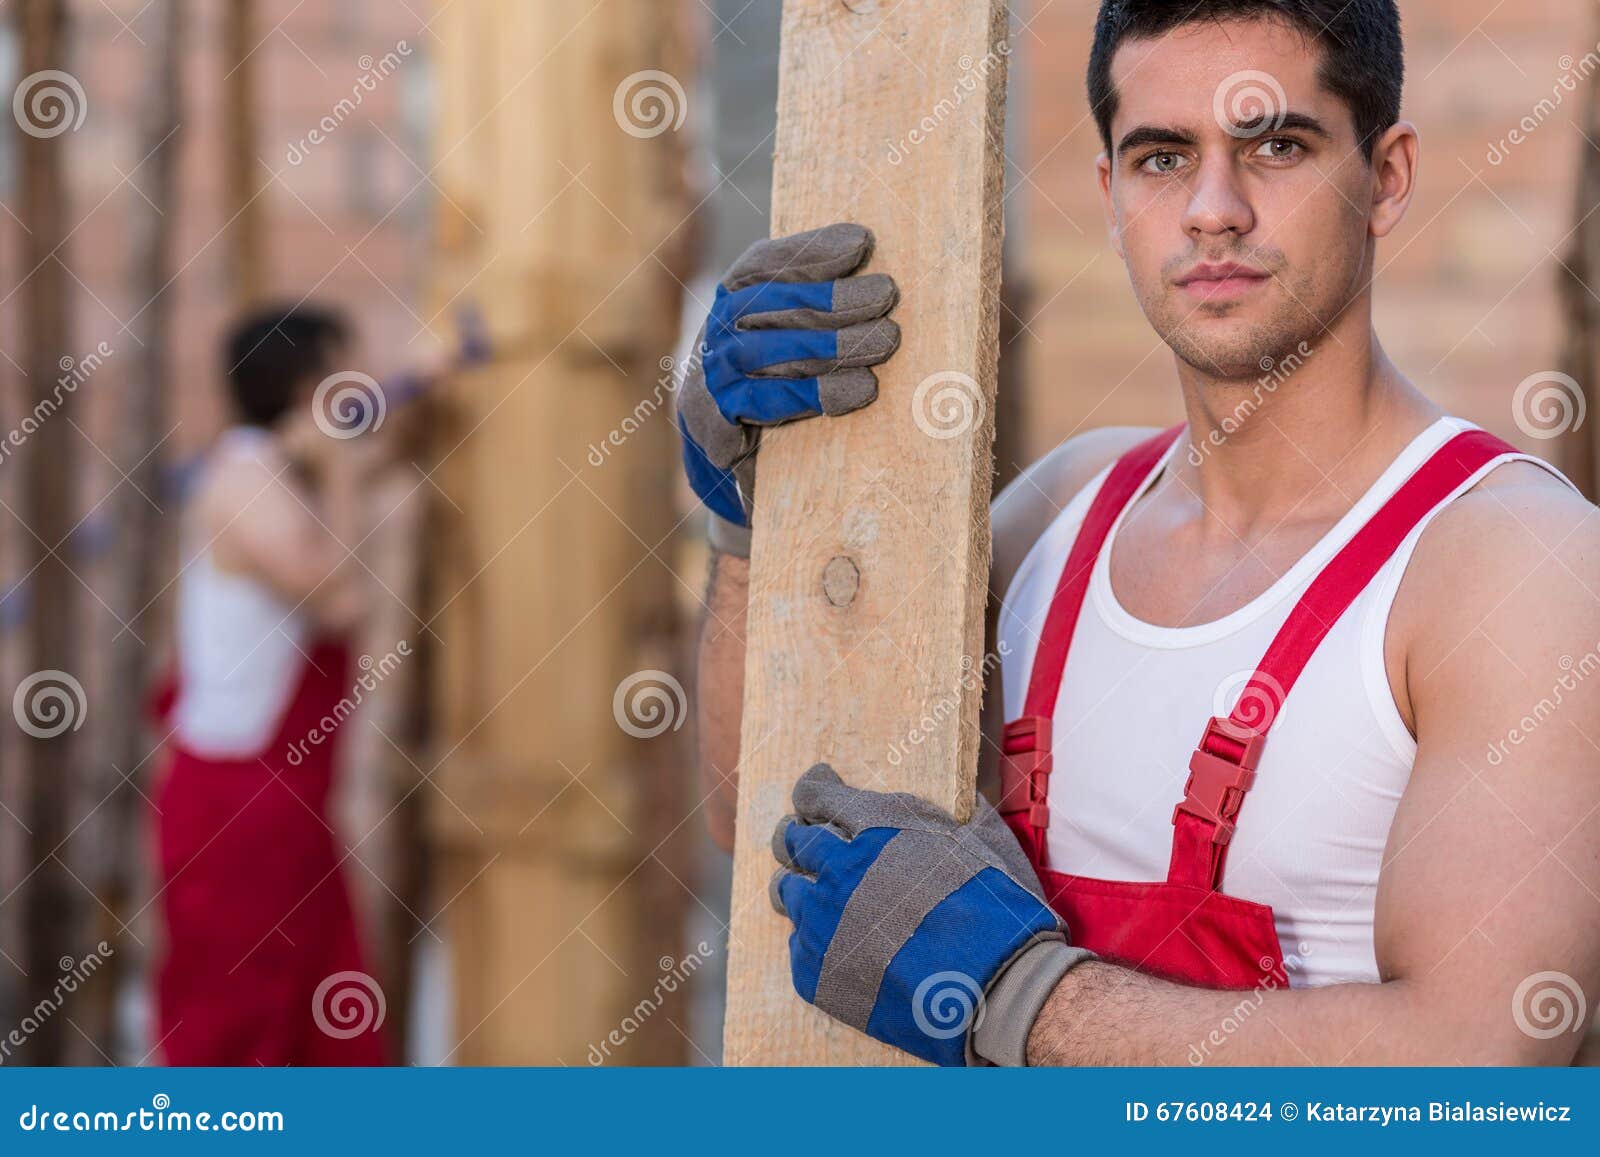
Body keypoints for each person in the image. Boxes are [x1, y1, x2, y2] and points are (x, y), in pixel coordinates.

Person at [678, 0, 1600, 1066]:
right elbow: (766, 817)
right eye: (1163, 158)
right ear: (1112, 193)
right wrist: (754, 530)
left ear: (1385, 176)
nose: (1214, 210)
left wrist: (1020, 996)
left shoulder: (1509, 566)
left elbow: (1483, 1061)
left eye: (1276, 146)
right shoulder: (1054, 518)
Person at [152, 304, 398, 1065]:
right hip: (238, 802)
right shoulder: (248, 479)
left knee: (314, 1008)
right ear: (305, 389)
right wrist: (342, 471)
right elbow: (341, 597)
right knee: (238, 1018)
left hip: (281, 798)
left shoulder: (273, 473)